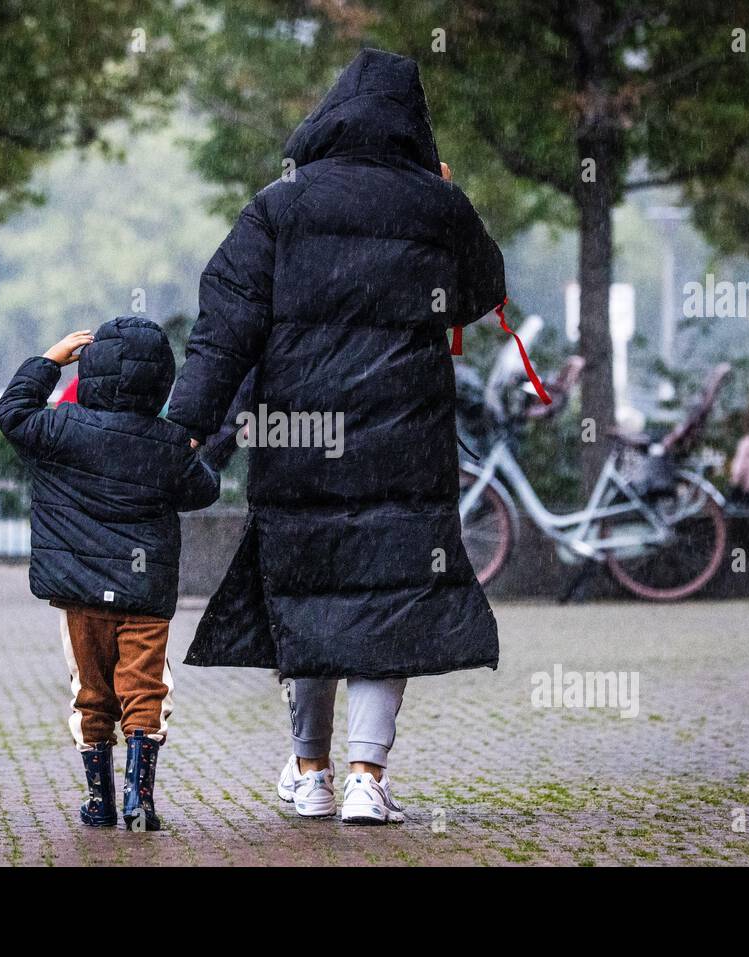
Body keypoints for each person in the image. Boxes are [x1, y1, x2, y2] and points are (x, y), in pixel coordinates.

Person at [166, 49, 506, 825]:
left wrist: (185, 427)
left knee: (309, 597)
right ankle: (366, 776)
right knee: (389, 598)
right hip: (405, 437)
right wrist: (443, 204)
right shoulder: (436, 204)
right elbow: (483, 291)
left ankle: (311, 772)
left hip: (299, 435)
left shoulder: (278, 205)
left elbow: (225, 329)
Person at [0, 318, 219, 831]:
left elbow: (12, 414)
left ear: (91, 372)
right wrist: (188, 444)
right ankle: (140, 800)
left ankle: (99, 802)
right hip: (144, 597)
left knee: (91, 693)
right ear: (162, 380)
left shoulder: (60, 428)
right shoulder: (167, 444)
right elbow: (203, 490)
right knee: (145, 692)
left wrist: (50, 360)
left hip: (80, 596)